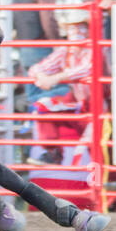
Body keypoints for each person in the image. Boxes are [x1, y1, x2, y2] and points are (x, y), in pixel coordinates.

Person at [24, 8, 93, 166]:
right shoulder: (66, 51)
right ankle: (52, 152)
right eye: (72, 27)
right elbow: (36, 69)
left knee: (101, 148)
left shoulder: (97, 48)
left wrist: (56, 78)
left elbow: (88, 69)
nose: (76, 32)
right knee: (44, 105)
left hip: (102, 108)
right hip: (80, 105)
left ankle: (110, 183)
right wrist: (43, 77)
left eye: (81, 27)